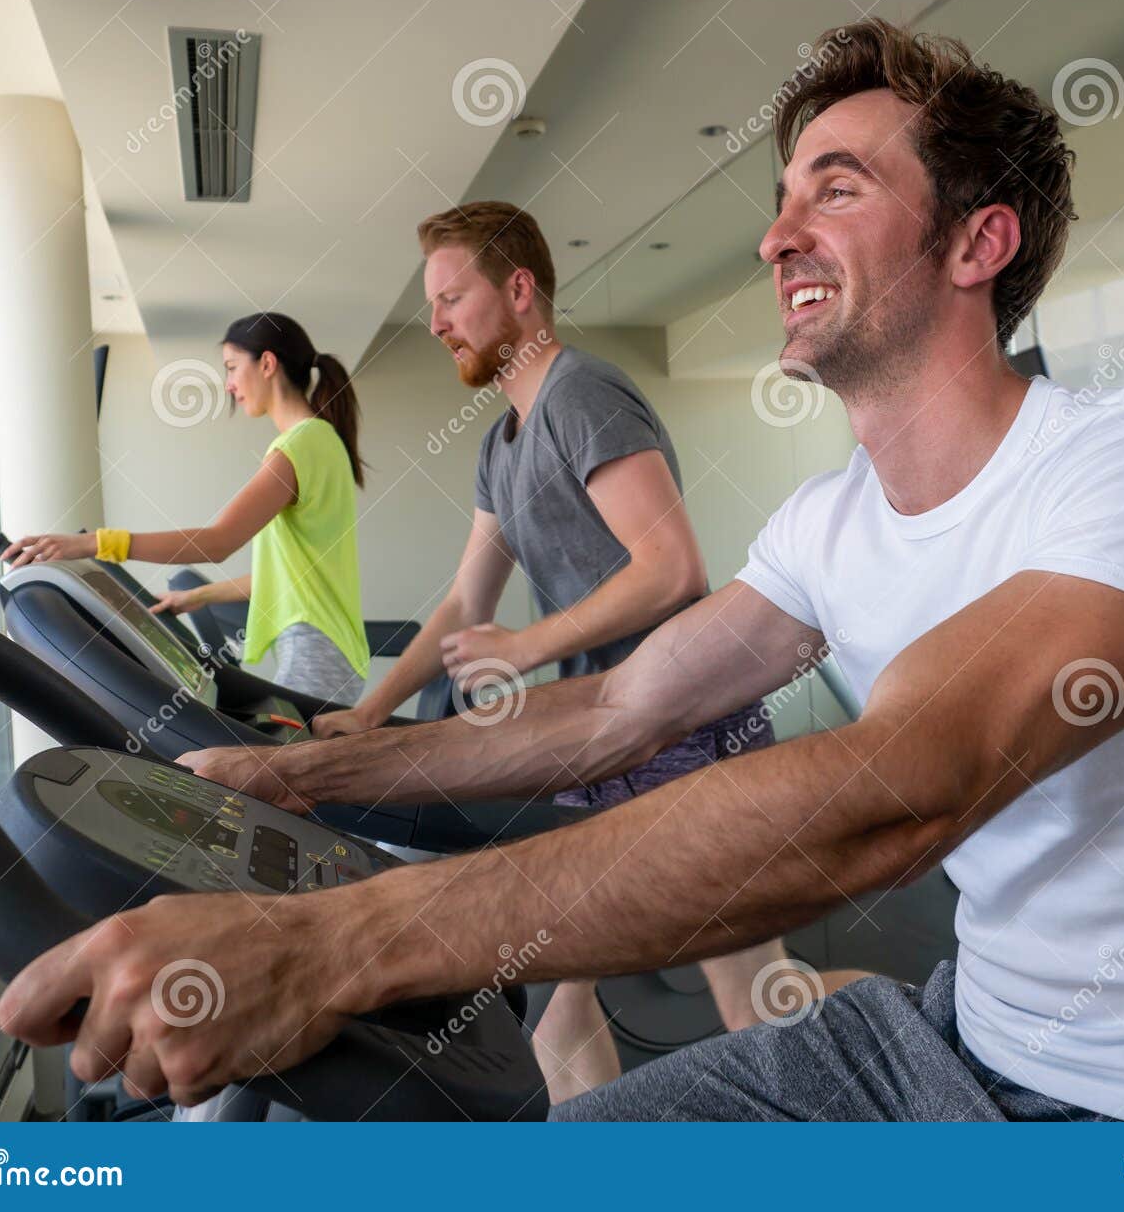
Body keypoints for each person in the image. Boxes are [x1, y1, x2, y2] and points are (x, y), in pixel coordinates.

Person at [0, 19, 1124, 1122]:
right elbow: (624, 707)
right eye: (781, 198)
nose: (776, 236)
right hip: (951, 1032)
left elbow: (900, 792)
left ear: (977, 243)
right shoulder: (829, 524)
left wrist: (334, 943)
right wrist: (308, 768)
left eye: (838, 186)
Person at [313, 199, 794, 1101]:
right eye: (434, 306)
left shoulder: (582, 395)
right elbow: (465, 599)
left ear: (520, 290)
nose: (437, 323)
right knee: (564, 986)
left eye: (453, 298)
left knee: (749, 993)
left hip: (678, 724)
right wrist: (369, 717)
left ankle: (910, 1065)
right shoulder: (501, 445)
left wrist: (526, 646)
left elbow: (671, 567)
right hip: (594, 739)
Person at [2, 312, 371, 703]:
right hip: (329, 650)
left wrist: (95, 543)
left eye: (232, 368)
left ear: (266, 363)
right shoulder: (322, 440)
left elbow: (218, 543)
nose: (229, 385)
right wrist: (198, 598)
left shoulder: (299, 446)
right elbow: (293, 577)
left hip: (317, 653)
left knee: (270, 764)